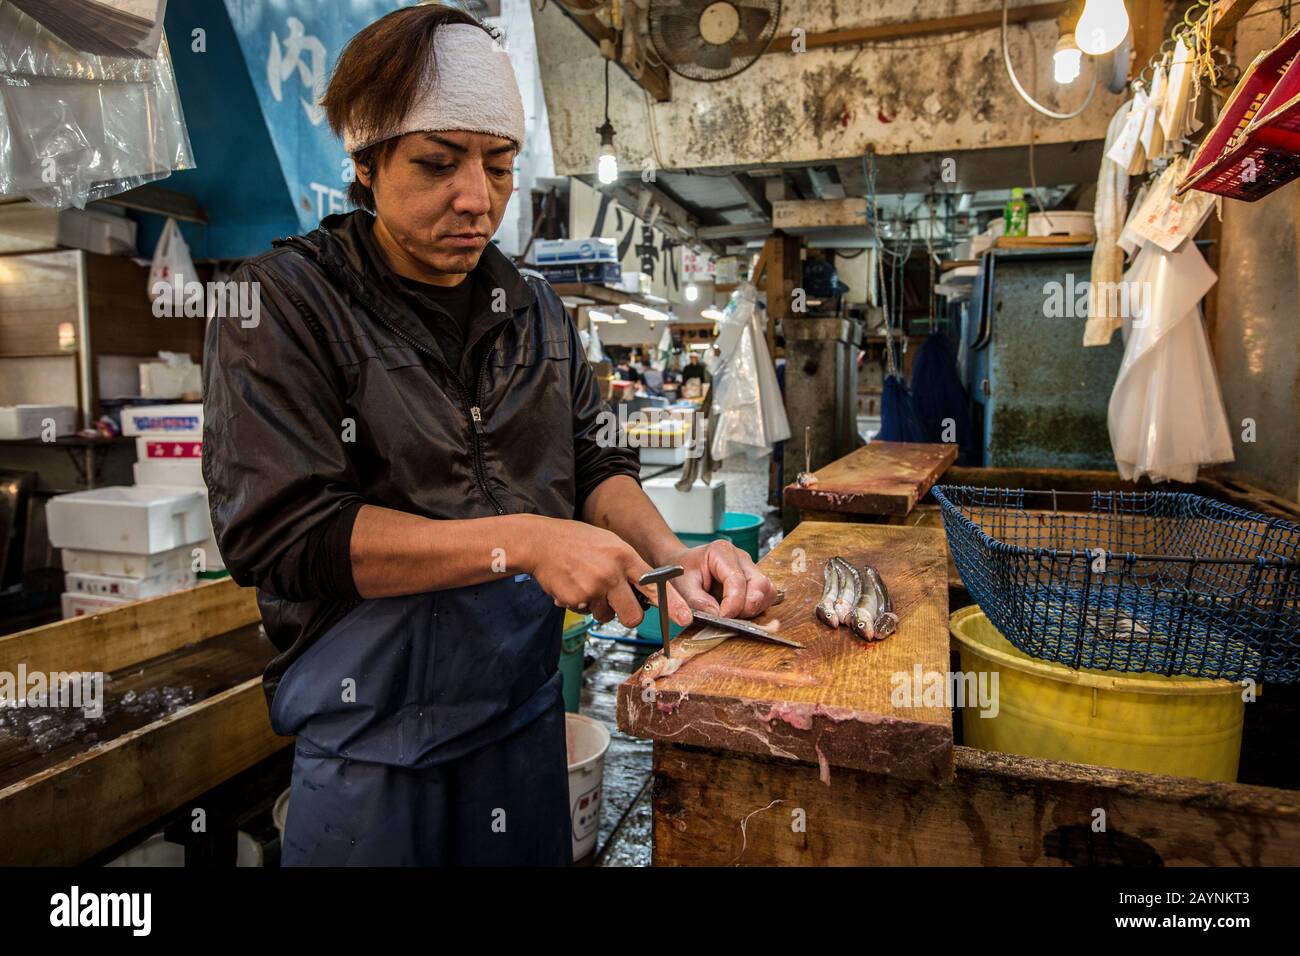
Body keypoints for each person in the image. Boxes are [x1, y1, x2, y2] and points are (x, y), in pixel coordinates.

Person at [202, 5, 775, 867]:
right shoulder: (284, 304)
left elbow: (594, 461)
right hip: (373, 759)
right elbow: (283, 533)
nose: (478, 199)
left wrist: (670, 557)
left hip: (522, 730)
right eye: (438, 164)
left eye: (500, 167)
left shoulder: (534, 307)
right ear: (364, 165)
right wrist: (526, 542)